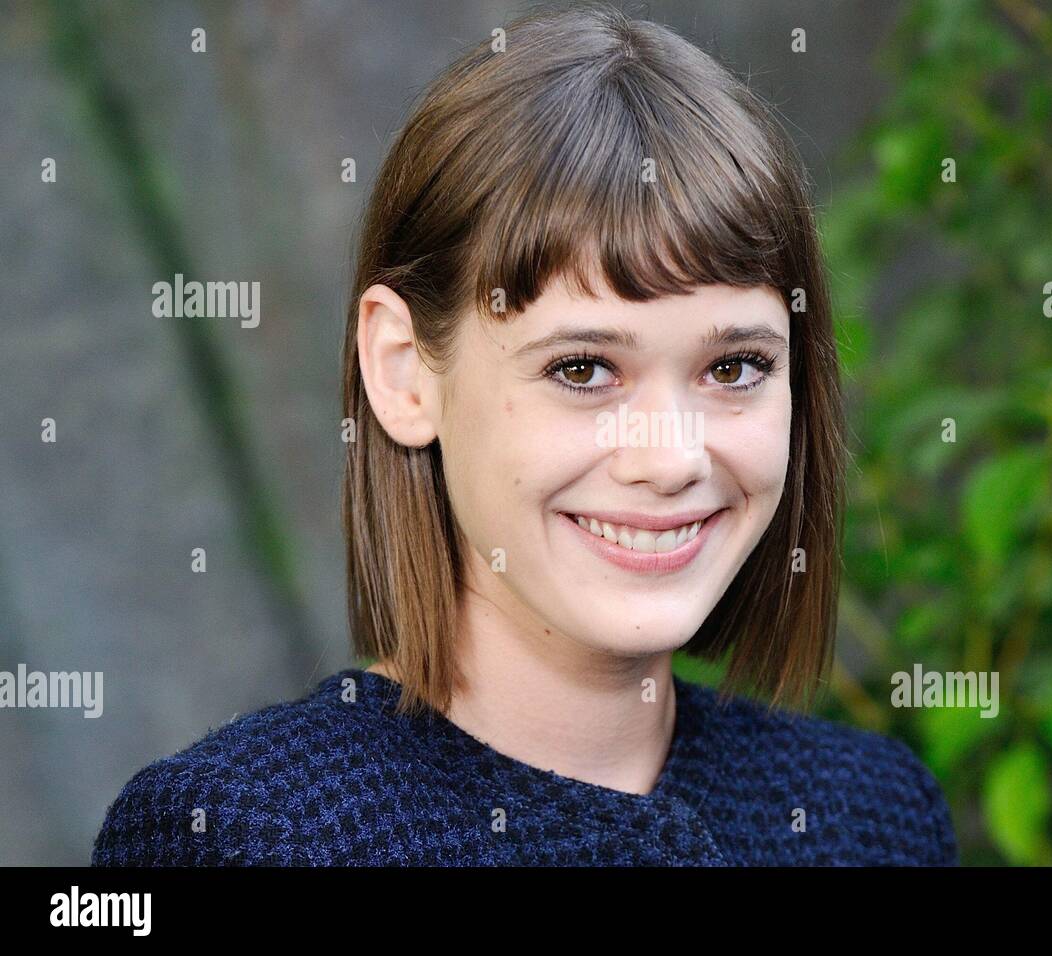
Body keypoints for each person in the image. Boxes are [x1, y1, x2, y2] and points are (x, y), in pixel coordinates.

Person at [92, 3, 957, 866]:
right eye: (582, 369)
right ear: (401, 371)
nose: (671, 459)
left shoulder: (872, 815)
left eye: (733, 368)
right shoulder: (244, 834)